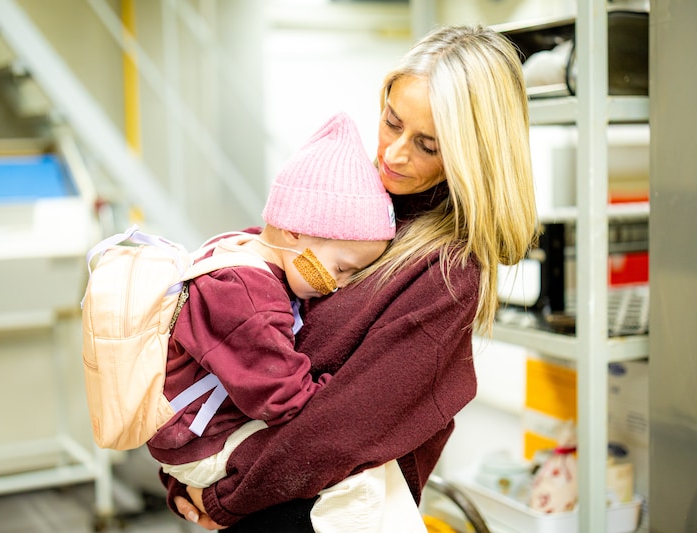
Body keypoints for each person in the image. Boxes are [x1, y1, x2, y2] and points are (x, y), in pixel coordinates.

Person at [165, 24, 539, 531]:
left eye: (428, 145)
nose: (394, 153)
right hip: (254, 484)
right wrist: (186, 457)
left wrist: (222, 495)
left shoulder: (447, 271)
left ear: (474, 156)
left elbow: (341, 428)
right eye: (391, 122)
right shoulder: (353, 199)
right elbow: (231, 320)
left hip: (309, 505)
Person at [148, 111, 419, 532]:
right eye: (341, 268)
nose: (336, 286)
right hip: (202, 443)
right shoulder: (245, 294)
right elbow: (281, 396)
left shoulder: (238, 249)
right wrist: (345, 393)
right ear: (294, 232)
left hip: (200, 432)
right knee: (357, 482)